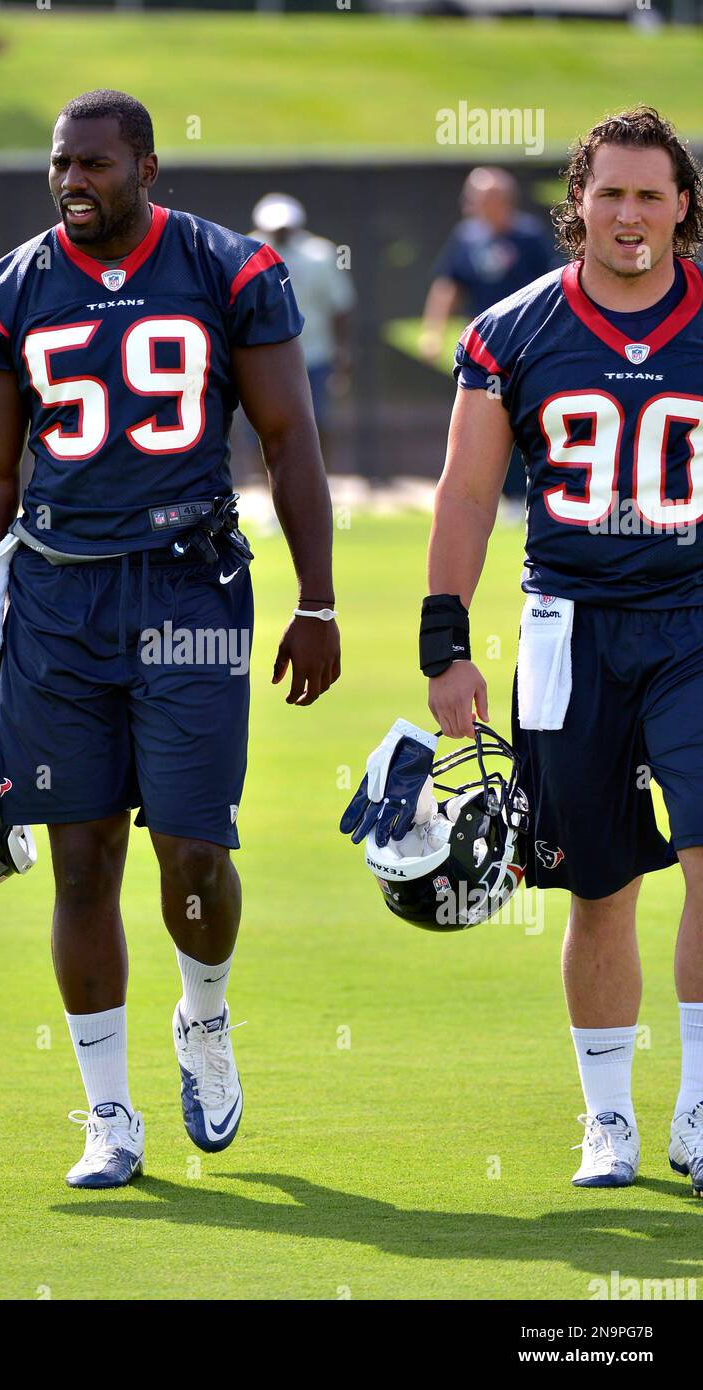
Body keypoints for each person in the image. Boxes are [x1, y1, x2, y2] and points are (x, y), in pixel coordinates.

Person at [0, 90, 340, 1189]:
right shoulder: (5, 291)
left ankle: (202, 1016)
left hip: (188, 588)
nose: (74, 180)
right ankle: (107, 1113)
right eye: (60, 163)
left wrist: (318, 599)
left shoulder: (227, 269)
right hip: (57, 603)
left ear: (146, 169)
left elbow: (288, 433)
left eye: (95, 164)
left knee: (194, 848)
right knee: (79, 859)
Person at [423, 106, 703, 1194]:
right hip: (569, 630)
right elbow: (464, 489)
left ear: (681, 205)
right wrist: (443, 641)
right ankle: (607, 1118)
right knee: (597, 889)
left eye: (649, 194)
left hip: (694, 620)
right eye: (609, 193)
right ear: (576, 202)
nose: (627, 215)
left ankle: (694, 1101)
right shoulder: (511, 330)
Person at [421, 168, 558, 515]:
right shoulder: (466, 237)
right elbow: (449, 284)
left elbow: (553, 285)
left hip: (528, 345)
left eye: (483, 197)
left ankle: (526, 493)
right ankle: (497, 496)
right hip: (487, 352)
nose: (473, 204)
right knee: (485, 420)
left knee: (529, 416)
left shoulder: (528, 237)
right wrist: (433, 331)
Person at [249, 193, 356, 464]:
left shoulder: (319, 254)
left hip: (314, 355)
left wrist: (341, 352)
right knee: (261, 424)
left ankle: (321, 481)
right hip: (264, 357)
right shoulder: (246, 250)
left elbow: (339, 306)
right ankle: (269, 487)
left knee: (317, 420)